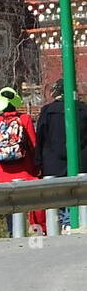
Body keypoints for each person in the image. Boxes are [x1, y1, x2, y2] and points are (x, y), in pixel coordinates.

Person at [0, 86, 45, 234]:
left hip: (4, 172)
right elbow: (33, 144)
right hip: (26, 168)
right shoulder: (24, 119)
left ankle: (13, 231)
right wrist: (38, 164)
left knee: (10, 202)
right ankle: (38, 229)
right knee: (35, 199)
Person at [35, 79, 87, 231]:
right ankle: (71, 223)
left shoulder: (47, 111)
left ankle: (62, 224)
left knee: (58, 198)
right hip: (80, 163)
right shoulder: (83, 110)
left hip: (53, 164)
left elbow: (41, 138)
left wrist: (37, 162)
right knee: (76, 195)